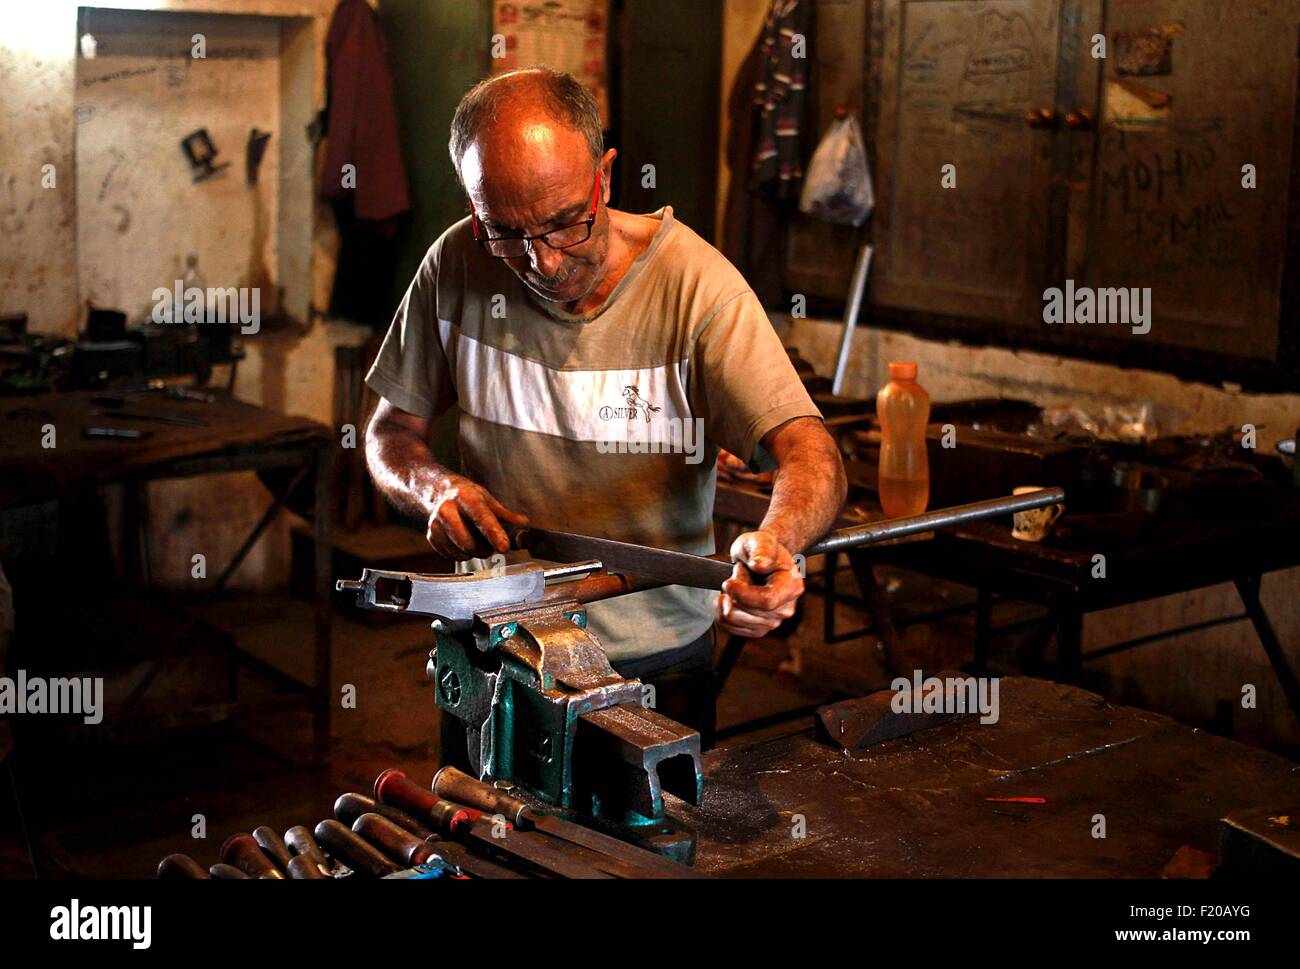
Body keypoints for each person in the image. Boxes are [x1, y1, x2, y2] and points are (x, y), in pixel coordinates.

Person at [364, 68, 846, 765]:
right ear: (475, 210)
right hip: (496, 652)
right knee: (477, 852)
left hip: (651, 668)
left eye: (566, 222)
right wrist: (433, 487)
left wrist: (777, 544)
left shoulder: (697, 289)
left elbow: (811, 451)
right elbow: (388, 434)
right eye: (505, 232)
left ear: (606, 176)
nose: (544, 261)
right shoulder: (454, 267)